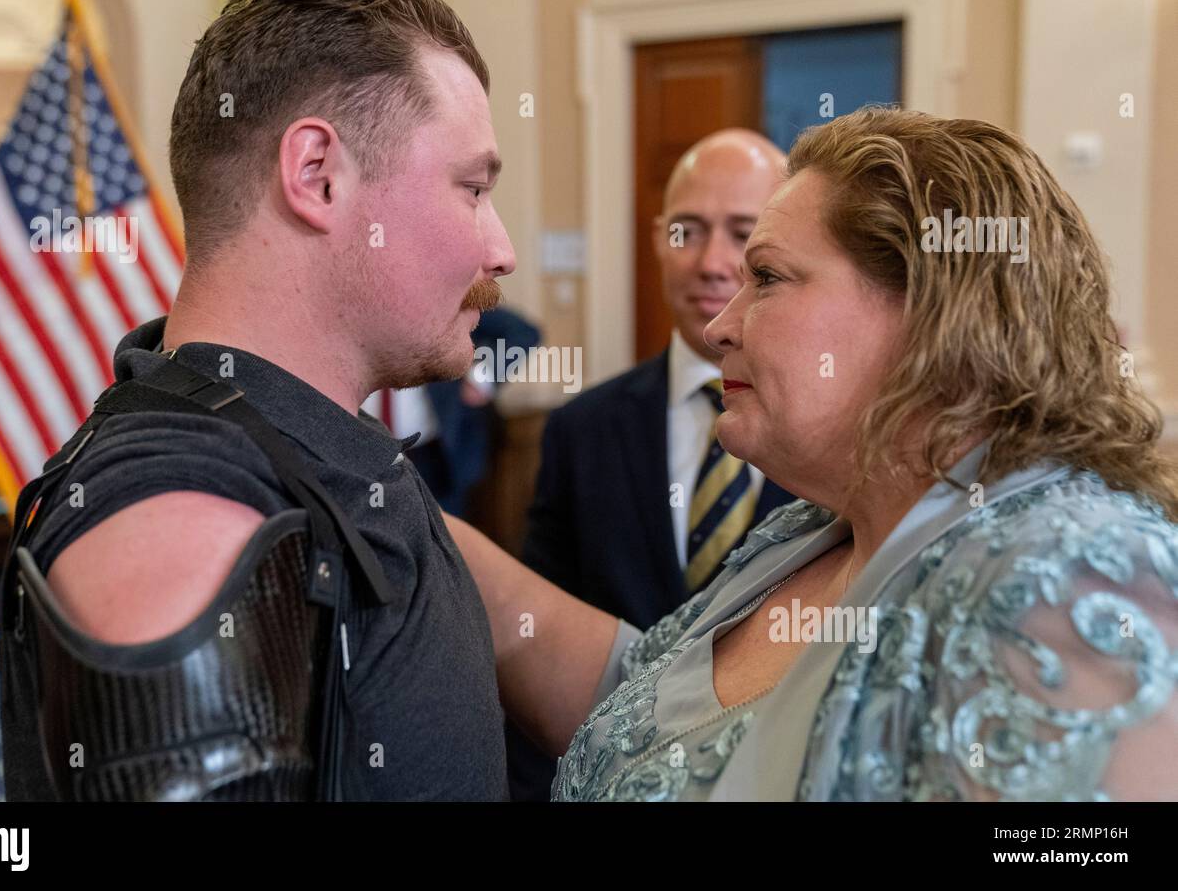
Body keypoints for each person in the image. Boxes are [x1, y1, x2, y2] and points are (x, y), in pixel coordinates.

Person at [450, 106, 1178, 801]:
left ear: (931, 313)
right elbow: (648, 713)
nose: (719, 328)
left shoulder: (1078, 579)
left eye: (765, 276)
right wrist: (415, 515)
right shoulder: (812, 530)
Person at [0, 0, 516, 800]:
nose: (502, 248)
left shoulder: (311, 445)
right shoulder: (185, 528)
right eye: (473, 187)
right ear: (317, 174)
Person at [510, 128, 795, 800]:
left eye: (743, 233)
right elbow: (532, 648)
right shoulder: (580, 432)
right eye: (688, 231)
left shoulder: (836, 438)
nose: (712, 262)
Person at [364, 306, 540, 517]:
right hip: (360, 455)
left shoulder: (440, 297)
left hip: (432, 460)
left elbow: (522, 332)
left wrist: (483, 378)